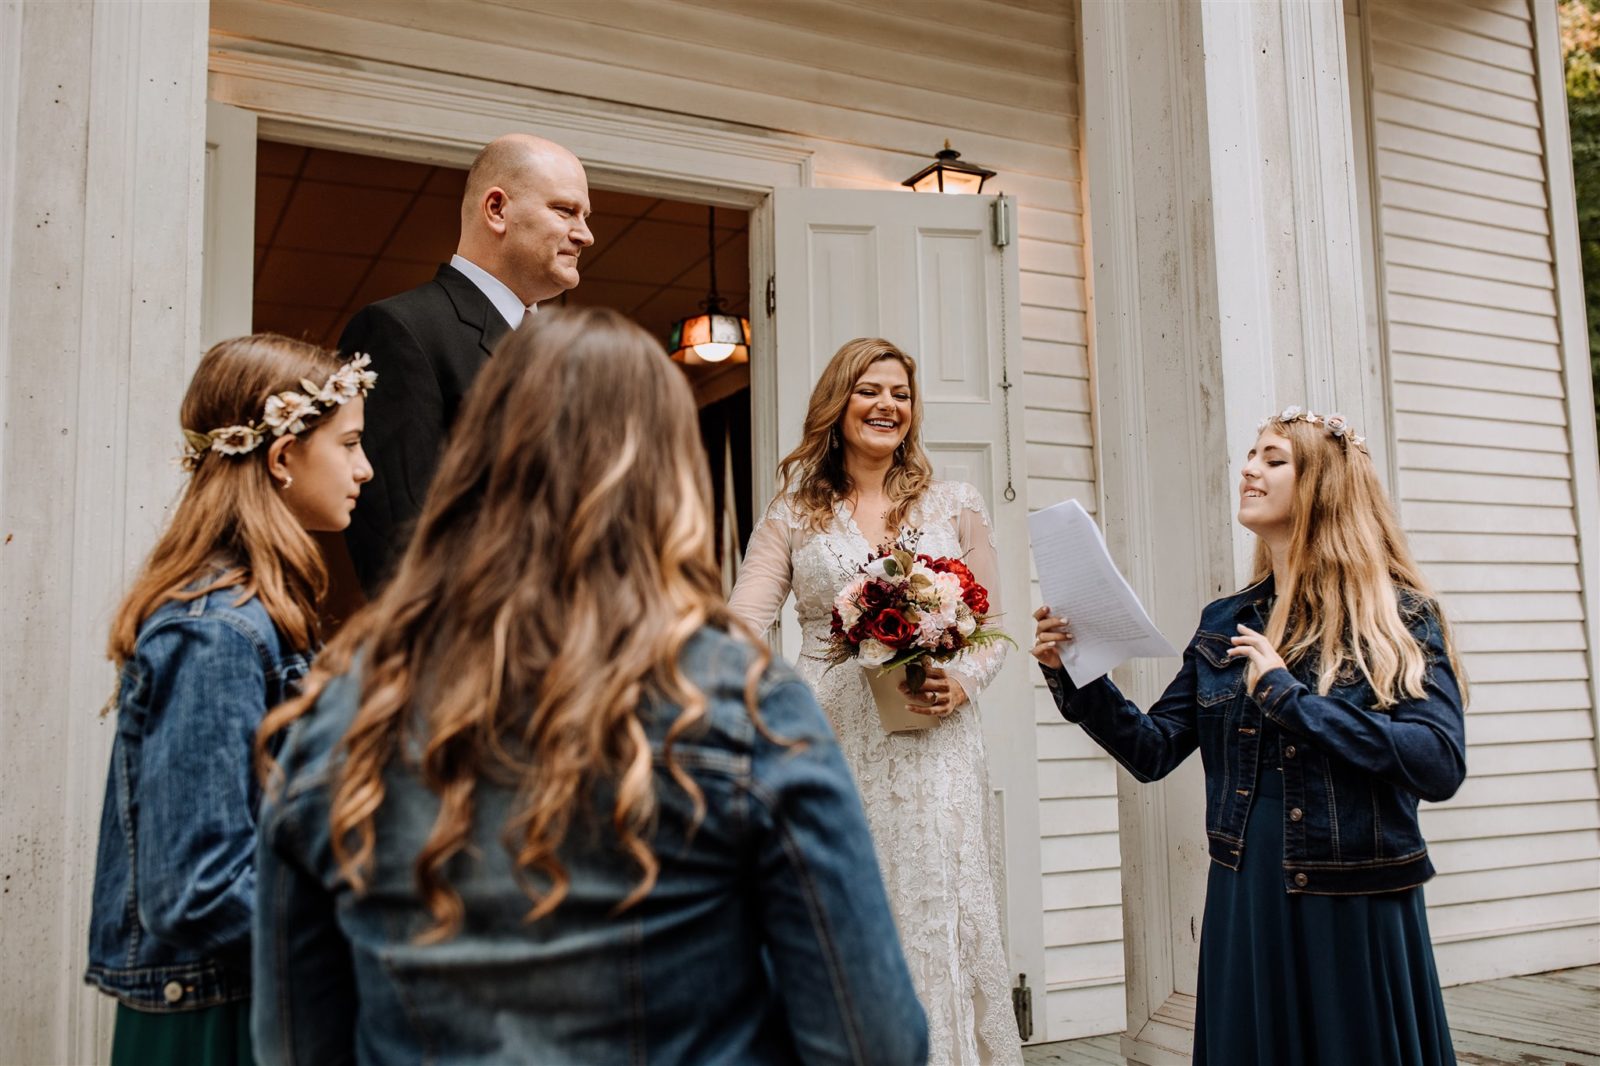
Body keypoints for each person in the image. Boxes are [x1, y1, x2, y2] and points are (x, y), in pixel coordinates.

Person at [252, 308, 926, 1066]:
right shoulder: (745, 706)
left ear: (475, 464)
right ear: (668, 477)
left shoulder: (344, 704)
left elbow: (293, 1042)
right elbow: (873, 1041)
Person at [1032, 406, 1466, 1066]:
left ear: (1320, 484)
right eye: (1250, 456)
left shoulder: (1400, 615)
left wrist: (1292, 702)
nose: (1248, 469)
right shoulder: (1225, 622)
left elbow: (1437, 762)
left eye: (1272, 459)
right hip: (1249, 889)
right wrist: (1075, 675)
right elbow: (1152, 750)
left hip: (1355, 896)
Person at [729, 338, 1022, 1066]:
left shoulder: (954, 503)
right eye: (869, 390)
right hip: (830, 736)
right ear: (838, 403)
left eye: (900, 393)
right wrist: (774, 709)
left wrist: (962, 681)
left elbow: (993, 623)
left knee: (933, 907)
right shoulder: (795, 513)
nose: (887, 405)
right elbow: (740, 625)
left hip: (935, 731)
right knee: (847, 910)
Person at [84, 335, 374, 1065]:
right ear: (281, 458)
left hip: (248, 998)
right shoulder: (215, 632)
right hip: (213, 1020)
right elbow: (201, 889)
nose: (366, 469)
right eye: (350, 444)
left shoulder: (253, 617)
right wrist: (382, 927)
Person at [339, 132, 594, 596]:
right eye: (565, 210)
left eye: (585, 216)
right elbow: (399, 542)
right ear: (497, 209)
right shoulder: (402, 330)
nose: (585, 233)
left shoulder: (565, 353)